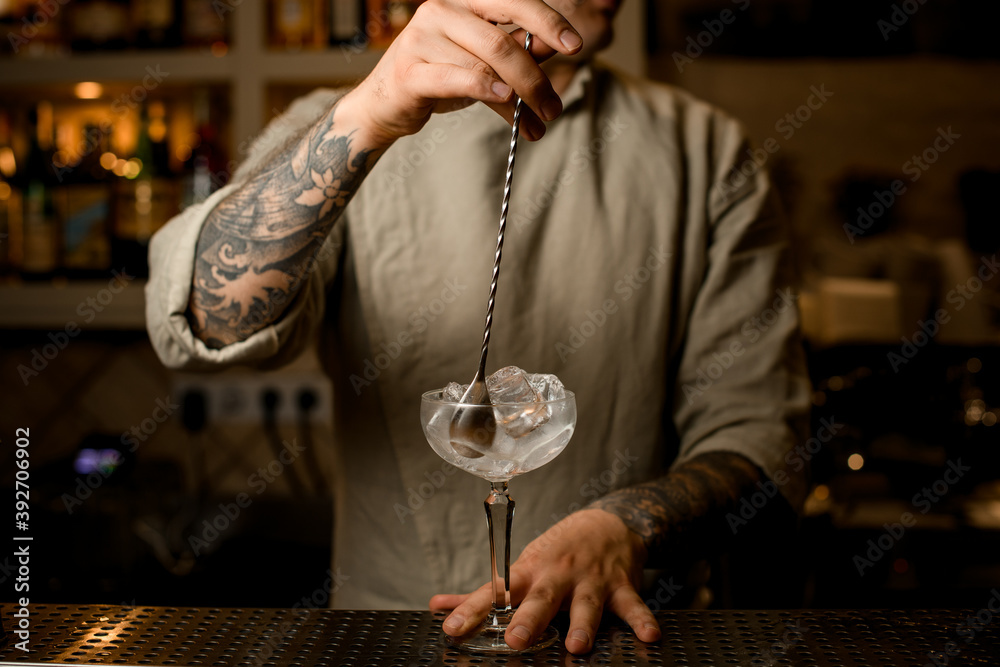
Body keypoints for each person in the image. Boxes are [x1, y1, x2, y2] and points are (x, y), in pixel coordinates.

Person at [146, 0, 811, 655]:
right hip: (393, 639)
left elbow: (761, 441)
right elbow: (209, 316)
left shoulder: (706, 150)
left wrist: (626, 526)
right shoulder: (343, 123)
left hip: (623, 638)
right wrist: (371, 114)